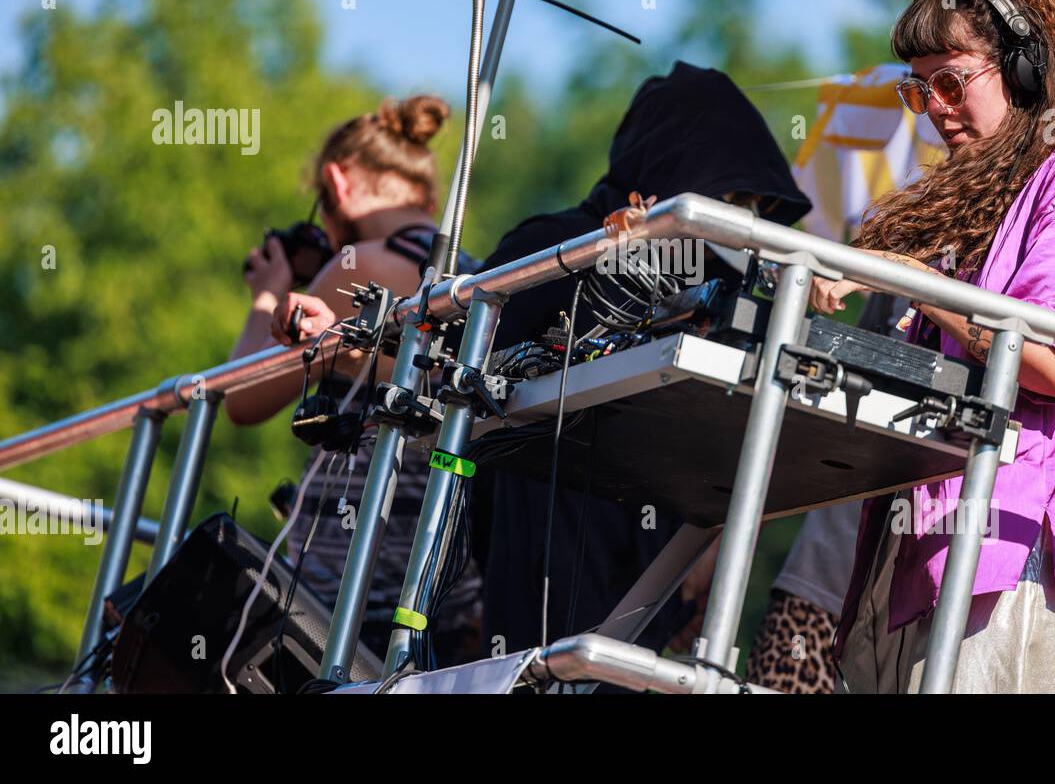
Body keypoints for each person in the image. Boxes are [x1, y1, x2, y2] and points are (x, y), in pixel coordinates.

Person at [810, 0, 1055, 694]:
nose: (934, 107)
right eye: (918, 88)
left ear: (1021, 72)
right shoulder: (984, 202)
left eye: (952, 80)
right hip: (934, 562)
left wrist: (902, 272)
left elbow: (1051, 364)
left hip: (1019, 559)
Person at [459, 61, 813, 664]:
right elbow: (489, 389)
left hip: (659, 545)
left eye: (754, 205)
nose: (745, 220)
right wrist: (630, 263)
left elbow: (743, 436)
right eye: (732, 198)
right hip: (553, 537)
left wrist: (714, 546)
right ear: (675, 171)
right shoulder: (548, 247)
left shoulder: (728, 295)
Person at [228, 94, 482, 665]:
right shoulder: (471, 269)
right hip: (444, 589)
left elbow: (241, 400)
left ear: (337, 183)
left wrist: (267, 293)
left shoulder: (361, 263)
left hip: (350, 591)